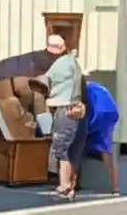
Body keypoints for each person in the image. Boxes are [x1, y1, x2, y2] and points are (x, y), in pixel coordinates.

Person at [35, 34, 83, 201]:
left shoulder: (61, 64)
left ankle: (65, 186)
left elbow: (43, 84)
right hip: (71, 107)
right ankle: (68, 187)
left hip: (64, 108)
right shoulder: (72, 62)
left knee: (61, 148)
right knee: (68, 149)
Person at [80, 79, 120, 194]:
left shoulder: (78, 89)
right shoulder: (95, 86)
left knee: (82, 143)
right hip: (111, 111)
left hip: (99, 113)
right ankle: (114, 186)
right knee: (105, 147)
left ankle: (76, 180)